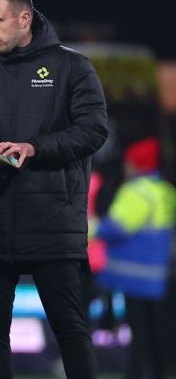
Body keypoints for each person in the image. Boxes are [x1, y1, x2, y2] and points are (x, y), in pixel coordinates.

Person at [0, 0, 108, 379]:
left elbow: (94, 130)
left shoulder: (73, 68)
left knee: (71, 331)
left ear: (24, 18)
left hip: (53, 222)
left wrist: (34, 148)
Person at [95, 137, 176, 379]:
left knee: (139, 335)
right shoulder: (165, 190)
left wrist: (87, 227)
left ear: (136, 164)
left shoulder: (136, 191)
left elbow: (116, 228)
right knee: (157, 333)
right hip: (158, 275)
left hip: (133, 277)